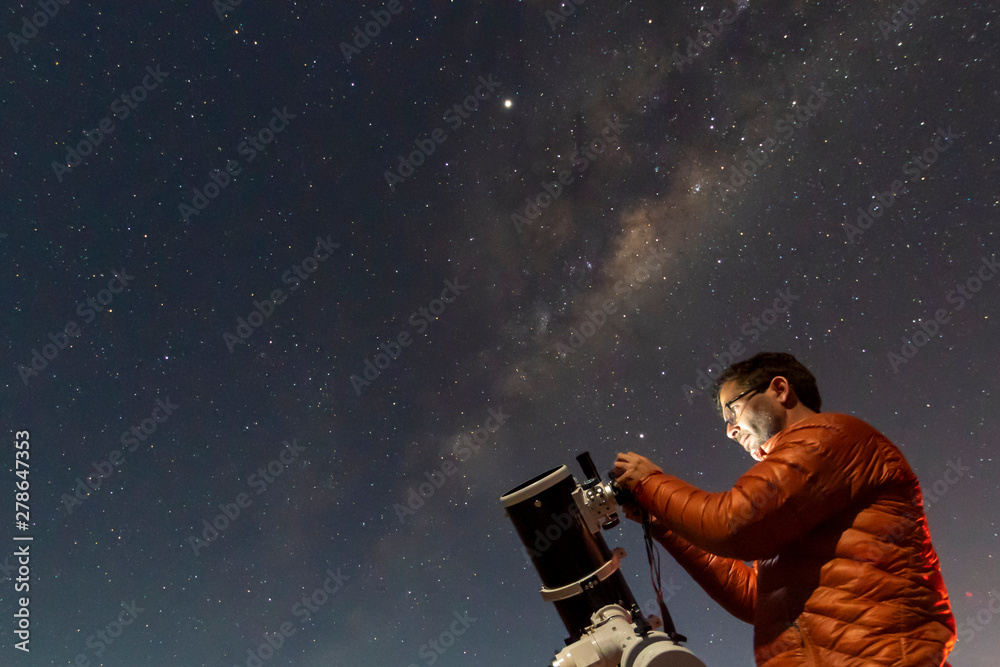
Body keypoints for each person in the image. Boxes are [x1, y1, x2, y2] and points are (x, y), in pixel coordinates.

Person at [612, 352, 956, 666]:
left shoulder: (828, 438)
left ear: (779, 389)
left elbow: (732, 523)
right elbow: (758, 598)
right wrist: (663, 522)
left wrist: (650, 482)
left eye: (732, 410)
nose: (730, 430)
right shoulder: (799, 478)